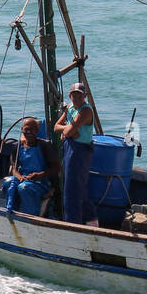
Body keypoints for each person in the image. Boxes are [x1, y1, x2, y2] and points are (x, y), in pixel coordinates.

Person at [2, 118, 60, 217]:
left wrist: (40, 175)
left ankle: (31, 216)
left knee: (24, 188)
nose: (29, 132)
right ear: (22, 130)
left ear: (37, 131)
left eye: (32, 129)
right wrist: (20, 177)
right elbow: (13, 168)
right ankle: (10, 211)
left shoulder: (44, 145)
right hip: (23, 178)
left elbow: (56, 167)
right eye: (26, 129)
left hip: (40, 182)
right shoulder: (18, 146)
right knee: (9, 183)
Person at [54, 83, 95, 224]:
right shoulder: (69, 108)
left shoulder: (86, 111)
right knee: (75, 186)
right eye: (74, 94)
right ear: (69, 96)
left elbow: (68, 131)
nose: (76, 97)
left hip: (80, 151)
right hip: (69, 148)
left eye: (80, 95)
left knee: (73, 189)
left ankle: (73, 223)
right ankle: (90, 220)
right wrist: (68, 131)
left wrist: (67, 132)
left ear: (85, 96)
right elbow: (56, 127)